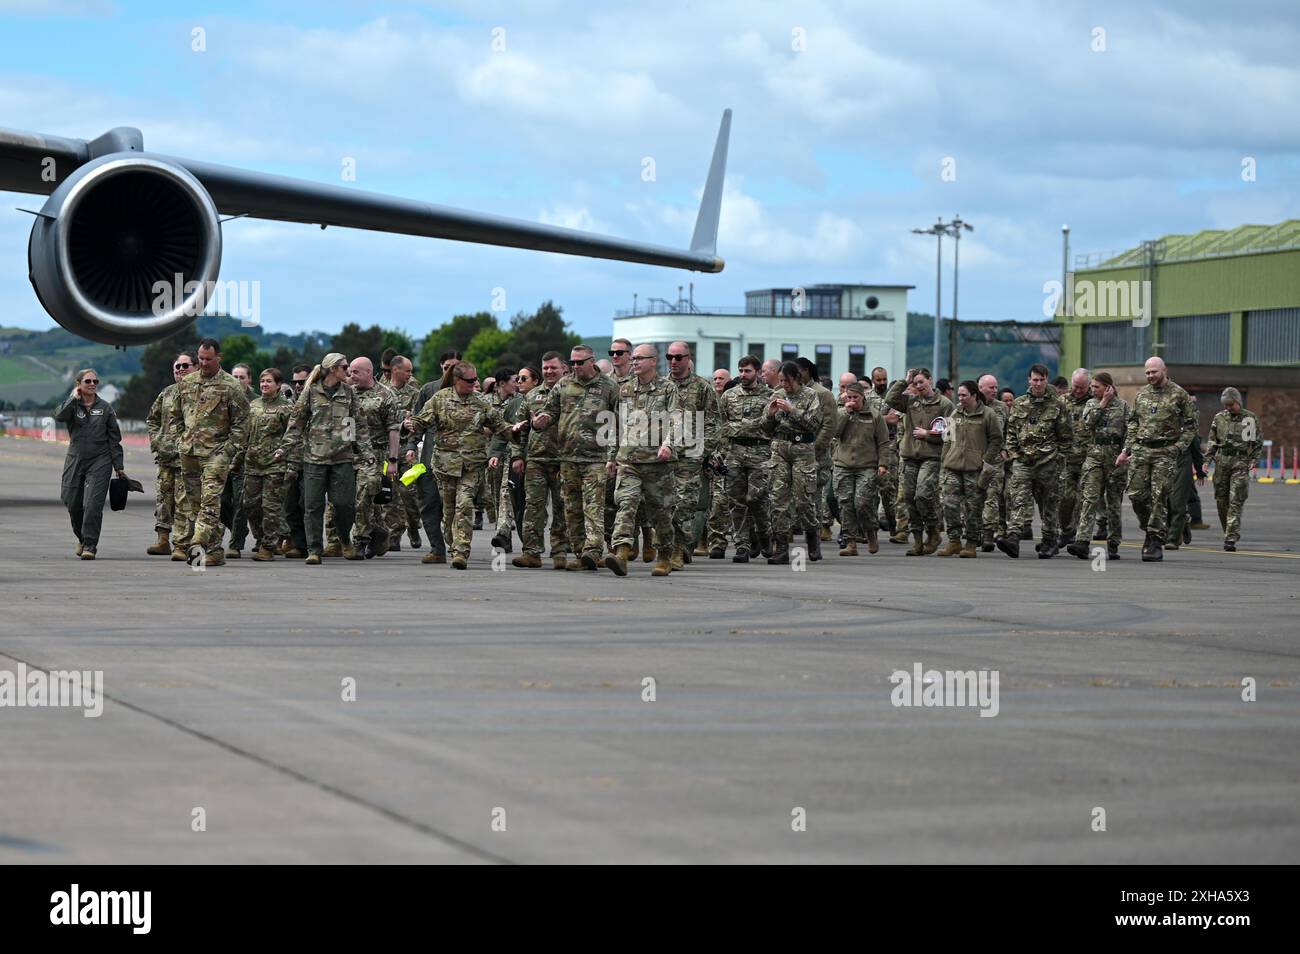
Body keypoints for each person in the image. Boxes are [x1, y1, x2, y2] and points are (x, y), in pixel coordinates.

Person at [403, 361, 519, 569]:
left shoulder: (480, 402)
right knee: (448, 512)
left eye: (476, 379)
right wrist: (410, 424)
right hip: (445, 466)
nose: (475, 383)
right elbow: (422, 421)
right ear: (457, 380)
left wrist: (518, 431)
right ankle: (452, 544)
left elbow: (500, 426)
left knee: (464, 505)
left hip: (472, 466)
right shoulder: (440, 398)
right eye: (470, 380)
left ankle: (461, 552)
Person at [530, 345, 621, 570]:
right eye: (573, 363)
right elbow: (552, 411)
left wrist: (614, 456)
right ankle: (582, 554)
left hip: (596, 458)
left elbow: (620, 423)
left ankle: (593, 549)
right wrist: (541, 421)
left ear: (593, 362)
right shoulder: (564, 384)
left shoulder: (609, 387)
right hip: (568, 458)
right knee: (572, 509)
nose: (576, 367)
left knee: (593, 507)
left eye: (580, 362)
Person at [274, 353, 370, 564]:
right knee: (312, 507)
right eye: (344, 367)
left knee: (345, 505)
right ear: (332, 369)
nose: (348, 372)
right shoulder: (311, 392)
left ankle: (345, 540)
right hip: (314, 459)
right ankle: (314, 549)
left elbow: (359, 425)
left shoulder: (349, 393)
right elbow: (297, 423)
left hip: (342, 458)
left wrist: (366, 452)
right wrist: (284, 449)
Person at [170, 338, 250, 566]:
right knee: (196, 504)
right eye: (201, 358)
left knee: (210, 501)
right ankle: (215, 550)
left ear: (219, 358)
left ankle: (198, 540)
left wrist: (229, 450)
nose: (204, 363)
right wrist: (179, 439)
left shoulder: (231, 386)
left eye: (208, 359)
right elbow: (175, 416)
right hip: (189, 452)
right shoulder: (187, 383)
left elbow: (242, 423)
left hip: (216, 454)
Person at [604, 344, 680, 577]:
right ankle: (622, 553)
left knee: (661, 513)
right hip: (629, 461)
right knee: (626, 506)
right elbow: (615, 425)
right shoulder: (624, 389)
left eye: (639, 358)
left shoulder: (668, 389)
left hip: (658, 463)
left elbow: (677, 420)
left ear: (653, 361)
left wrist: (669, 444)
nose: (634, 362)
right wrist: (611, 457)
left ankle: (665, 556)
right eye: (633, 358)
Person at [1116, 356, 1197, 561]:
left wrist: (1178, 447)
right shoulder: (1141, 395)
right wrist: (1128, 448)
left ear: (1164, 370)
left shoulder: (1179, 395)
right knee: (1136, 496)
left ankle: (1154, 539)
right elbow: (1134, 422)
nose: (1150, 375)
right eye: (1147, 372)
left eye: (1154, 371)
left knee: (1159, 496)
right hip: (1141, 450)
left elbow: (1190, 426)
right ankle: (1154, 527)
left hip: (1165, 452)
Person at [998, 364, 1071, 559]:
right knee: (1018, 498)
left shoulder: (1058, 405)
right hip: (1023, 461)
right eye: (1034, 380)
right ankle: (1013, 538)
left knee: (1048, 504)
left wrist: (1058, 459)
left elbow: (1065, 437)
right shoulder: (1020, 403)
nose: (1038, 384)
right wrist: (1013, 454)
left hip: (1048, 462)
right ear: (1029, 380)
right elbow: (1011, 431)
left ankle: (1049, 540)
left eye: (1041, 380)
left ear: (1046, 379)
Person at [56, 368, 125, 559]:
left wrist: (118, 466)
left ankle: (90, 546)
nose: (93, 384)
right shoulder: (72, 407)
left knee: (92, 505)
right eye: (88, 381)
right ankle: (82, 538)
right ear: (79, 384)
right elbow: (59, 416)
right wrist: (72, 398)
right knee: (72, 502)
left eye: (95, 381)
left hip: (100, 460)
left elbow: (114, 439)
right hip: (76, 458)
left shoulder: (105, 408)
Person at [884, 368, 954, 555]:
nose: (918, 386)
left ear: (930, 380)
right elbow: (890, 399)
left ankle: (932, 531)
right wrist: (904, 380)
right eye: (915, 383)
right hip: (909, 456)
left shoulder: (945, 404)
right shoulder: (911, 402)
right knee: (909, 497)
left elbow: (950, 434)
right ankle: (917, 539)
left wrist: (929, 434)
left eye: (921, 382)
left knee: (922, 495)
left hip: (931, 457)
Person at [512, 354, 570, 569]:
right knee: (533, 507)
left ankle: (560, 552)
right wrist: (518, 456)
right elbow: (520, 429)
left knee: (562, 508)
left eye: (553, 368)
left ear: (563, 368)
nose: (548, 372)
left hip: (562, 460)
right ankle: (531, 552)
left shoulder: (571, 393)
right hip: (536, 459)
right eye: (545, 368)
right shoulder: (532, 396)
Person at [665, 341, 719, 570]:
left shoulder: (702, 387)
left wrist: (702, 452)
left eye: (678, 357)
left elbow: (714, 423)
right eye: (670, 357)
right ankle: (667, 548)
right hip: (663, 456)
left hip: (690, 457)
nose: (674, 362)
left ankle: (679, 549)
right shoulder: (660, 386)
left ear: (688, 359)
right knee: (664, 505)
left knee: (685, 505)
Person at [762, 361, 822, 564]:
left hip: (802, 451)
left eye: (786, 381)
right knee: (778, 500)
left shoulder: (810, 395)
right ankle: (781, 547)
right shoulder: (776, 395)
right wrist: (769, 416)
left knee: (803, 499)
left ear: (796, 378)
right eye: (780, 381)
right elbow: (765, 427)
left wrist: (792, 410)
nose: (783, 385)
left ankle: (812, 535)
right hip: (780, 449)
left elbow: (814, 423)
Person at [1066, 372, 1129, 561]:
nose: (1093, 390)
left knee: (1113, 504)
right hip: (1094, 456)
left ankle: (1114, 542)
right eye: (1092, 387)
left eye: (1097, 387)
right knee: (1090, 498)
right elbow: (1087, 425)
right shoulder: (1091, 404)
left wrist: (1126, 451)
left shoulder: (1123, 406)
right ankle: (1082, 541)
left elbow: (1131, 431)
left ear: (1108, 387)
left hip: (1115, 458)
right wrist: (1102, 403)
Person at [937, 381, 1003, 558]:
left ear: (974, 396)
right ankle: (954, 541)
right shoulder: (956, 412)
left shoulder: (988, 415)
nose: (960, 398)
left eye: (964, 395)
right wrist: (944, 460)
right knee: (949, 504)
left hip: (975, 469)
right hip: (953, 466)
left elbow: (996, 440)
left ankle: (972, 544)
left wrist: (985, 461)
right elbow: (948, 438)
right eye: (959, 395)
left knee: (973, 508)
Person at [720, 354, 773, 563]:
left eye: (747, 371)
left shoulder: (769, 396)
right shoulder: (729, 396)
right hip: (735, 453)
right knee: (736, 501)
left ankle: (764, 534)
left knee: (757, 498)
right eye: (740, 370)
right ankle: (741, 545)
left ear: (758, 373)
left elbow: (769, 425)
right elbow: (722, 426)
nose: (743, 374)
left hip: (760, 453)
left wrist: (742, 427)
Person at [348, 356, 402, 558]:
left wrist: (393, 461)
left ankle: (360, 540)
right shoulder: (348, 394)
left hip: (375, 455)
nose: (351, 376)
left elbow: (394, 430)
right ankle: (380, 532)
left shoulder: (385, 395)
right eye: (350, 372)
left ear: (368, 372)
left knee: (363, 496)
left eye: (355, 372)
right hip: (351, 454)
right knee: (362, 501)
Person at [411, 351, 461, 563]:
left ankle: (457, 547)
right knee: (429, 503)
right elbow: (417, 422)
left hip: (458, 459)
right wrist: (411, 446)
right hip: (430, 456)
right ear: (441, 366)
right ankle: (437, 548)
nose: (451, 371)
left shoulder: (467, 391)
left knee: (456, 507)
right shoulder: (429, 390)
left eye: (455, 366)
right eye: (447, 366)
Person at [832, 382, 891, 555]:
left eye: (855, 397)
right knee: (845, 504)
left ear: (863, 397)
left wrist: (883, 464)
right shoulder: (842, 413)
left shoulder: (874, 416)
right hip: (843, 465)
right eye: (849, 397)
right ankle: (851, 542)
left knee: (863, 502)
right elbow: (835, 432)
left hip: (866, 466)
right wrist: (845, 413)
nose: (852, 401)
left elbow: (883, 442)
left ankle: (871, 532)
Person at [242, 368, 294, 560]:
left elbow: (293, 435)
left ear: (279, 385)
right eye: (263, 381)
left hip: (275, 465)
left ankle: (268, 546)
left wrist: (287, 457)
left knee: (270, 508)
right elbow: (245, 433)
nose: (264, 384)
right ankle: (265, 537)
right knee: (250, 505)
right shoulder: (253, 405)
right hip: (252, 464)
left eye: (269, 381)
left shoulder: (286, 408)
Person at [144, 353, 192, 555]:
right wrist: (157, 440)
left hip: (187, 459)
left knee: (183, 502)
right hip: (166, 457)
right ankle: (162, 539)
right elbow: (152, 419)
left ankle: (181, 544)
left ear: (195, 367)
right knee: (164, 499)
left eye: (185, 366)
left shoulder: (200, 393)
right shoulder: (167, 393)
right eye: (177, 367)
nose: (180, 370)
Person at [1204, 386, 1261, 552]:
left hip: (1240, 462)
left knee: (1236, 500)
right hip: (1222, 462)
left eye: (1231, 405)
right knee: (1222, 501)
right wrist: (1207, 460)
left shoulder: (1249, 419)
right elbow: (1212, 441)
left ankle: (1230, 537)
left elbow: (1257, 442)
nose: (1228, 408)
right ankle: (1228, 530)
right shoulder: (1219, 418)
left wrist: (1253, 460)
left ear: (1238, 402)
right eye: (1226, 405)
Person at [383, 355, 424, 551]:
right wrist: (400, 423)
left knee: (408, 492)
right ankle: (394, 533)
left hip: (408, 449)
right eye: (407, 371)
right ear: (395, 370)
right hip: (388, 450)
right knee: (390, 494)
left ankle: (414, 526)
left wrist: (411, 423)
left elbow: (421, 418)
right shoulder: (382, 392)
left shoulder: (415, 392)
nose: (410, 374)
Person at [795, 357, 837, 544]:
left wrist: (814, 448)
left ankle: (815, 534)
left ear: (806, 371)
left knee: (813, 496)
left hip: (815, 454)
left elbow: (828, 426)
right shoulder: (787, 393)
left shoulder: (823, 394)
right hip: (791, 453)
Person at [278, 364, 312, 558]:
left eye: (302, 382)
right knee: (290, 507)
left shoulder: (316, 402)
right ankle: (298, 544)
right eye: (295, 382)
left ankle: (311, 544)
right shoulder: (286, 403)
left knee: (307, 503)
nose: (298, 386)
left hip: (311, 461)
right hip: (291, 462)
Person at [1056, 368, 1091, 548]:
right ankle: (1066, 529)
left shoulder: (1095, 401)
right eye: (1076, 386)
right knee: (1065, 497)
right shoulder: (1062, 401)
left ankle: (1079, 536)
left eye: (1082, 387)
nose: (1078, 391)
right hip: (1067, 459)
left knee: (1083, 500)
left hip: (1088, 459)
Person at [976, 373, 1009, 550]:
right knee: (974, 496)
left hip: (995, 459)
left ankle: (988, 533)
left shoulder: (1002, 408)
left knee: (992, 496)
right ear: (980, 388)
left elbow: (1010, 431)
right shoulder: (970, 406)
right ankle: (974, 531)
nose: (995, 391)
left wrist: (1006, 449)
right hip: (974, 458)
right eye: (991, 388)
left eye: (996, 387)